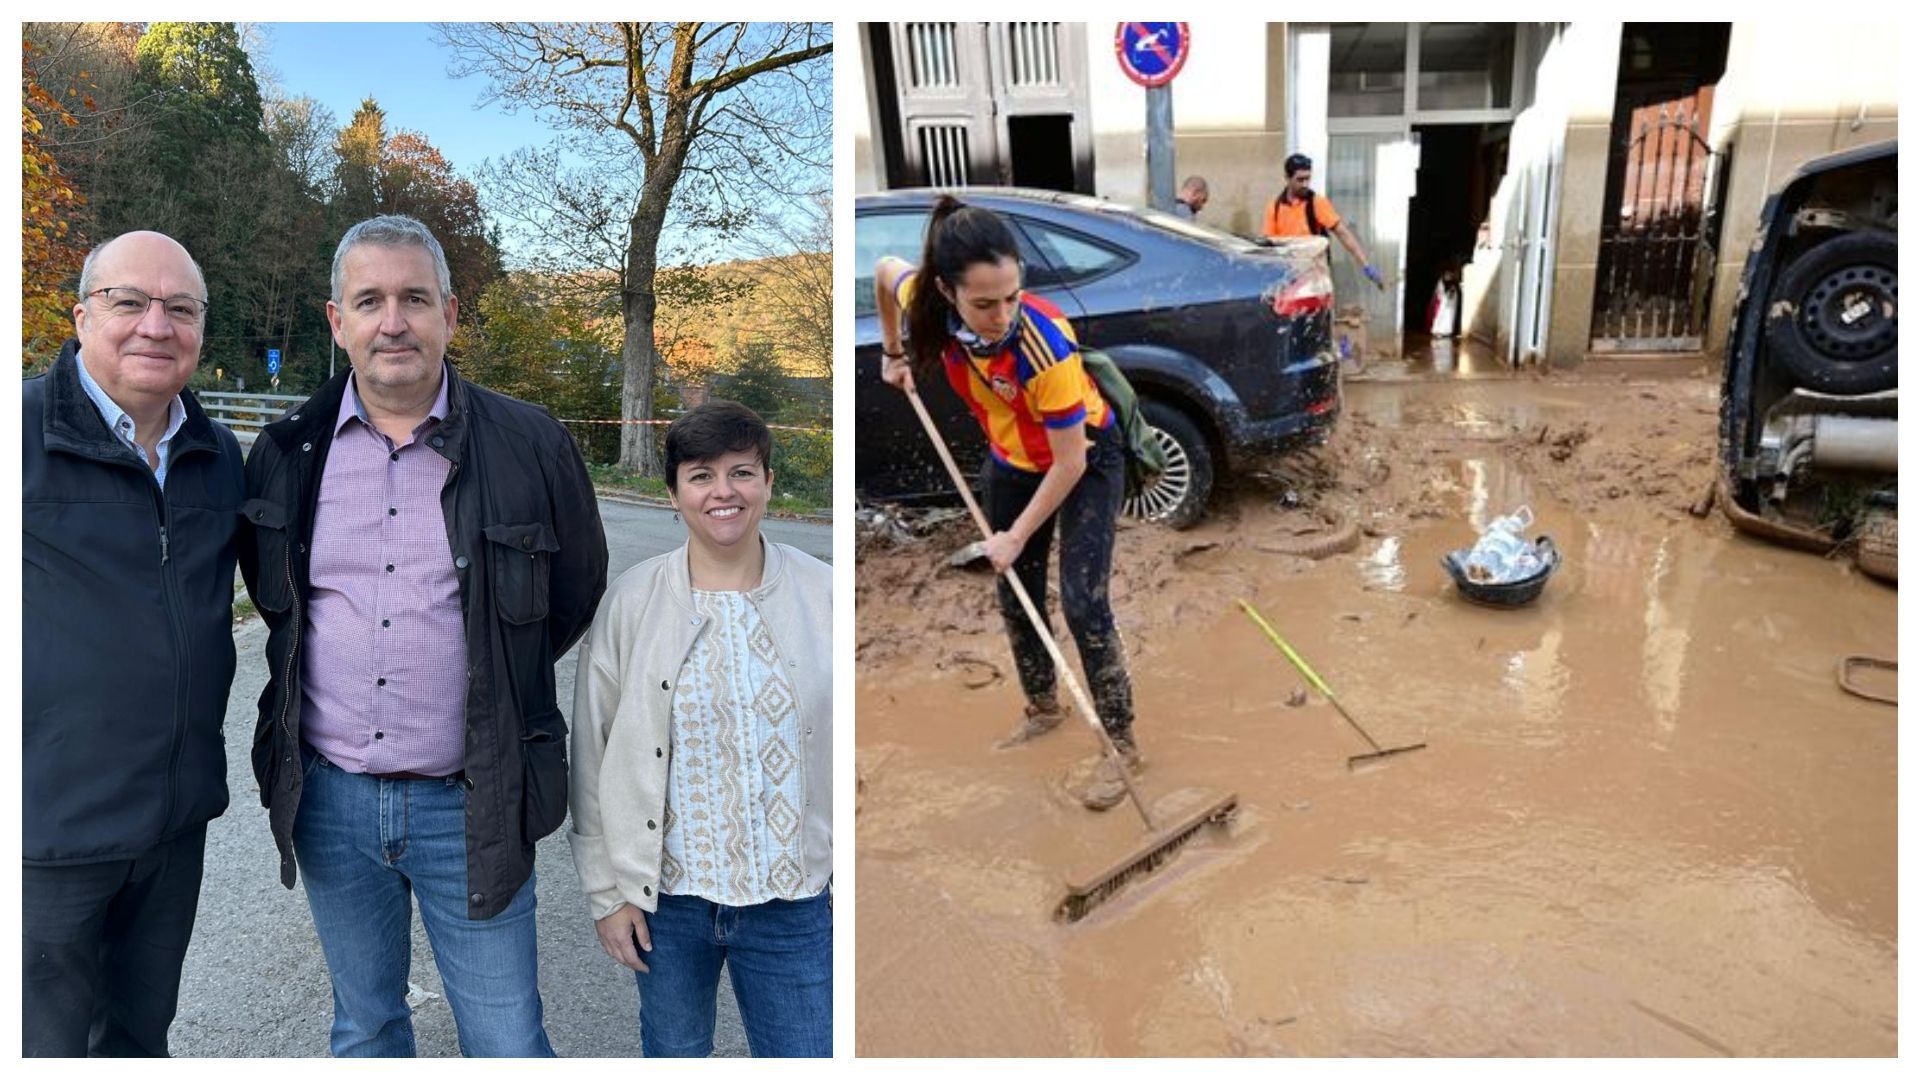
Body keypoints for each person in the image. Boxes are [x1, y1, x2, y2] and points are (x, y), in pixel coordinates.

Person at [239, 214, 608, 1057]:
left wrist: (482, 681)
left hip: (472, 799)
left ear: (449, 310)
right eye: (368, 300)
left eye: (413, 298)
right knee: (365, 1029)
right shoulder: (288, 450)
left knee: (508, 1042)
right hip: (329, 800)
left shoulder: (532, 443)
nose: (392, 321)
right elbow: (279, 602)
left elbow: (574, 594)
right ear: (337, 321)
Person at [22, 231, 243, 1057]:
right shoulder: (22, 436)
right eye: (129, 302)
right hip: (46, 832)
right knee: (43, 1049)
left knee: (140, 1039)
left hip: (171, 829)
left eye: (180, 308)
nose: (156, 325)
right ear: (82, 316)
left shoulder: (217, 458)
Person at [569, 401, 832, 1057]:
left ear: (769, 482)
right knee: (674, 1052)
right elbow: (592, 755)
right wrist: (608, 894)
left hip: (793, 902)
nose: (724, 492)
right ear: (673, 493)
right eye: (701, 476)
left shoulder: (827, 594)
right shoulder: (632, 601)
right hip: (669, 905)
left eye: (741, 472)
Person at [873, 196, 1141, 811]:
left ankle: (1121, 742)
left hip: (1086, 462)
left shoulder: (1046, 345)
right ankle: (1043, 707)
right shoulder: (925, 298)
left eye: (1013, 296)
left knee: (1082, 601)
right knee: (1015, 593)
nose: (1002, 315)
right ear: (947, 291)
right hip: (1012, 461)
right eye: (985, 303)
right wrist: (893, 353)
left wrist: (1015, 534)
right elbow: (887, 272)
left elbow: (1070, 462)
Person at [1263, 152, 1386, 290]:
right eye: (1300, 179)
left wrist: (1366, 265)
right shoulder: (1274, 208)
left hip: (1315, 277)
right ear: (1287, 178)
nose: (1305, 184)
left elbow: (1343, 234)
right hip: (1286, 277)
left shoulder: (1317, 203)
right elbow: (1270, 246)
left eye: (1308, 179)